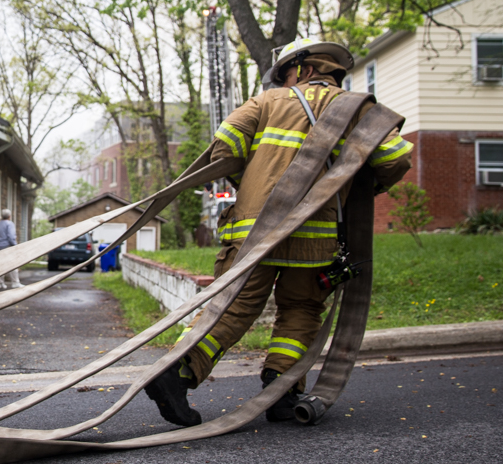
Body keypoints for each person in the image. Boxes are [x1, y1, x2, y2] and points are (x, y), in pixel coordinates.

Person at [145, 38, 413, 427]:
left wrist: (254, 186)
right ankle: (282, 394)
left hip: (254, 231)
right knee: (302, 308)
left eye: (285, 74)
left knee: (233, 305)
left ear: (303, 69)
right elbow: (395, 158)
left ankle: (177, 374)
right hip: (316, 235)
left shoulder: (264, 102)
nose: (284, 83)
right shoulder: (360, 109)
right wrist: (350, 190)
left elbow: (224, 151)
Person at [0, 209, 23, 289]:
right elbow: (11, 237)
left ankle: (0, 283)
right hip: (7, 247)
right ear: (9, 216)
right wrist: (15, 245)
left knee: (0, 265)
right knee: (13, 264)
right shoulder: (10, 224)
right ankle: (15, 283)